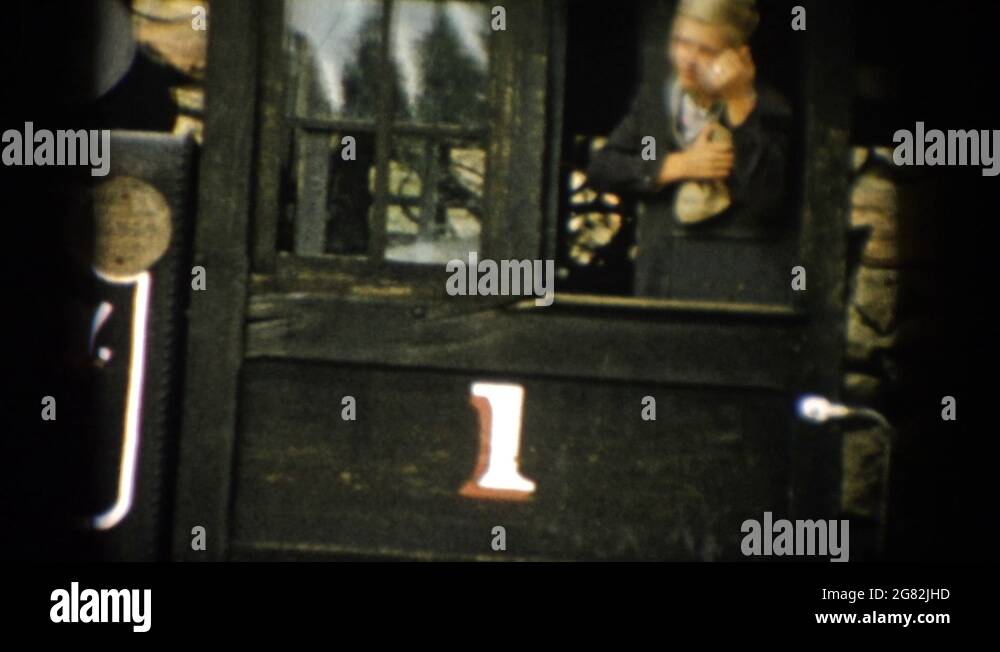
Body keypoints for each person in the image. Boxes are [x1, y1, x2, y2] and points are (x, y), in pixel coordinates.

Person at [586, 0, 793, 298]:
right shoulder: (656, 103)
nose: (688, 59)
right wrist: (677, 165)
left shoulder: (770, 107)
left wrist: (738, 101)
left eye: (706, 50)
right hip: (663, 282)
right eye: (681, 42)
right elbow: (602, 168)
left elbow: (765, 201)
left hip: (737, 285)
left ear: (736, 57)